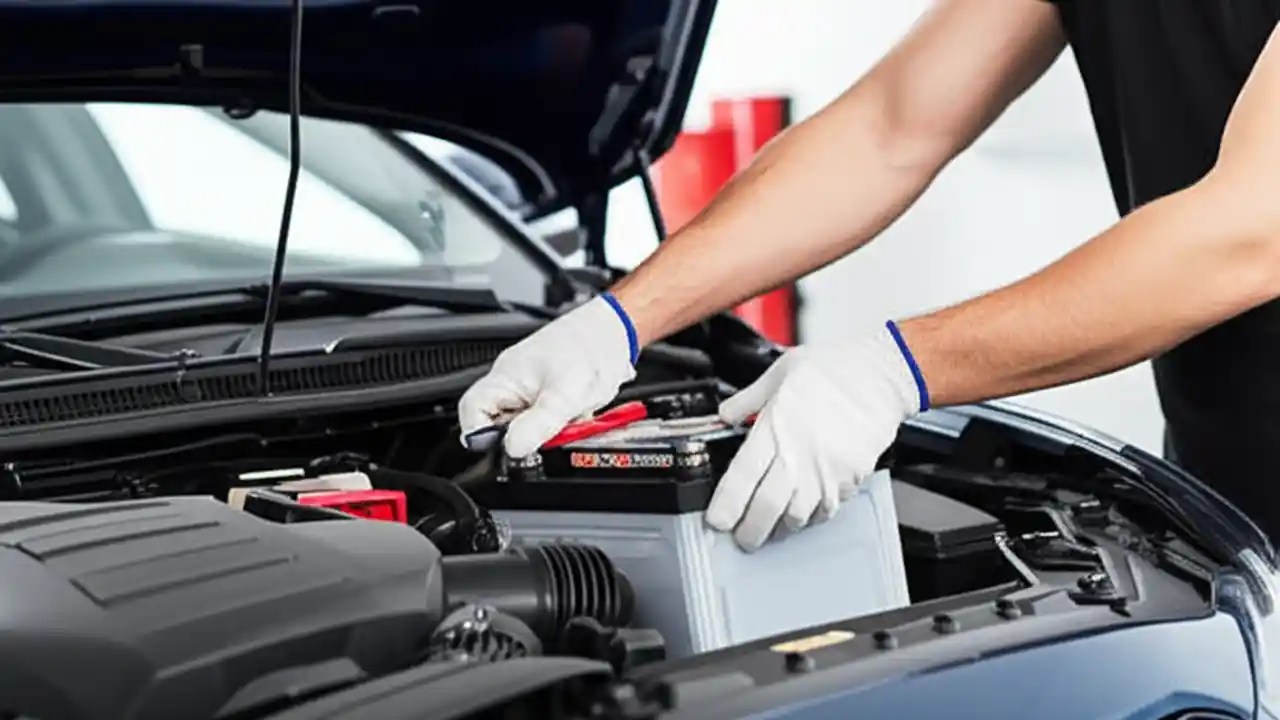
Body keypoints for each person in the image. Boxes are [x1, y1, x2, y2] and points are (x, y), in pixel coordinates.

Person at [459, 1, 1280, 549]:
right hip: (1229, 502)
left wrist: (889, 370)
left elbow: (1248, 228)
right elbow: (892, 125)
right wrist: (619, 321)